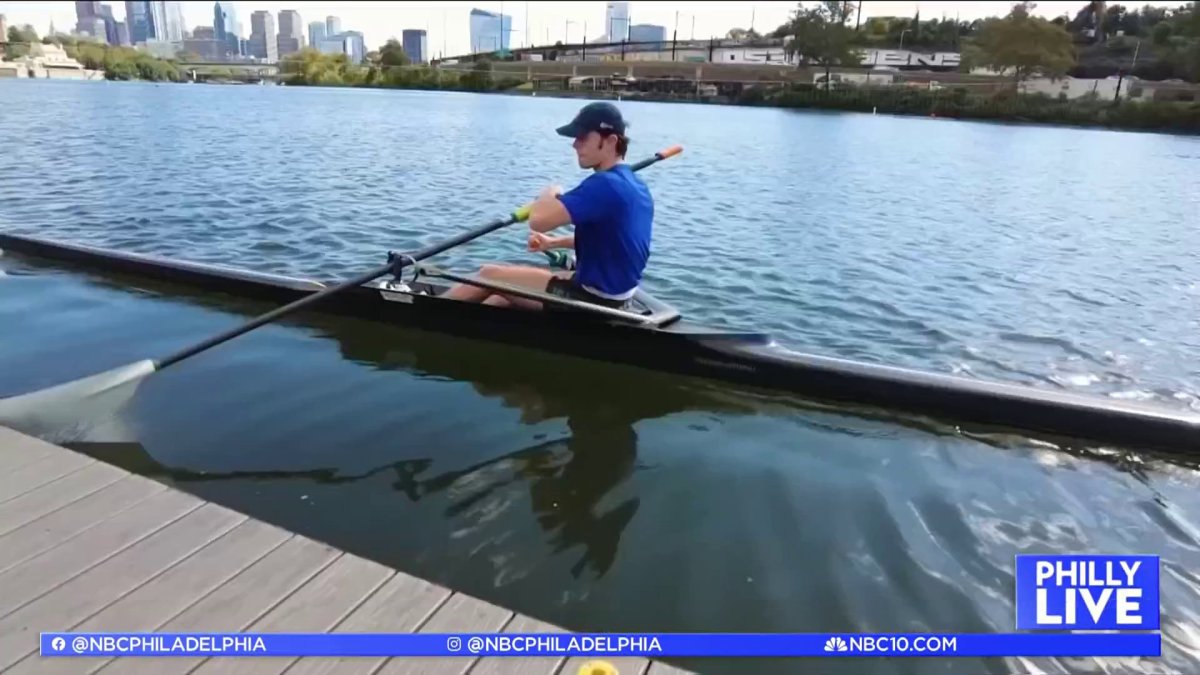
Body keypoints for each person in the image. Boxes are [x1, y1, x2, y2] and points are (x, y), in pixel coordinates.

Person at [441, 102, 653, 311]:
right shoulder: (636, 185)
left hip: (593, 302)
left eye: (583, 137)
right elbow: (612, 243)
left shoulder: (605, 184)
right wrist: (552, 243)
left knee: (489, 275)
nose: (575, 145)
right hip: (619, 298)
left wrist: (549, 193)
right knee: (501, 294)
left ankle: (424, 314)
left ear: (610, 141)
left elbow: (538, 221)